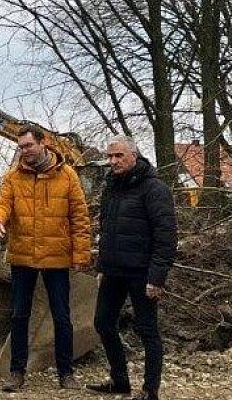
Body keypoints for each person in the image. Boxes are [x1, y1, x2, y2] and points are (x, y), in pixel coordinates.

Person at [0, 125, 91, 391]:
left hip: (57, 258)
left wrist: (81, 253)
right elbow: (1, 202)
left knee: (61, 316)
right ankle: (16, 372)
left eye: (28, 146)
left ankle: (66, 374)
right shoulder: (13, 177)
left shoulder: (67, 175)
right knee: (20, 315)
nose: (24, 151)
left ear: (43, 143)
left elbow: (79, 218)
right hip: (23, 256)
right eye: (20, 147)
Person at [86, 137, 178, 400]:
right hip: (114, 271)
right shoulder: (111, 188)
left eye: (119, 156)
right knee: (103, 323)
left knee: (147, 330)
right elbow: (106, 229)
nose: (113, 161)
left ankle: (150, 390)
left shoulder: (154, 189)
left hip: (142, 272)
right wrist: (102, 265)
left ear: (134, 156)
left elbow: (166, 235)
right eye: (111, 156)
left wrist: (157, 276)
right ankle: (120, 381)